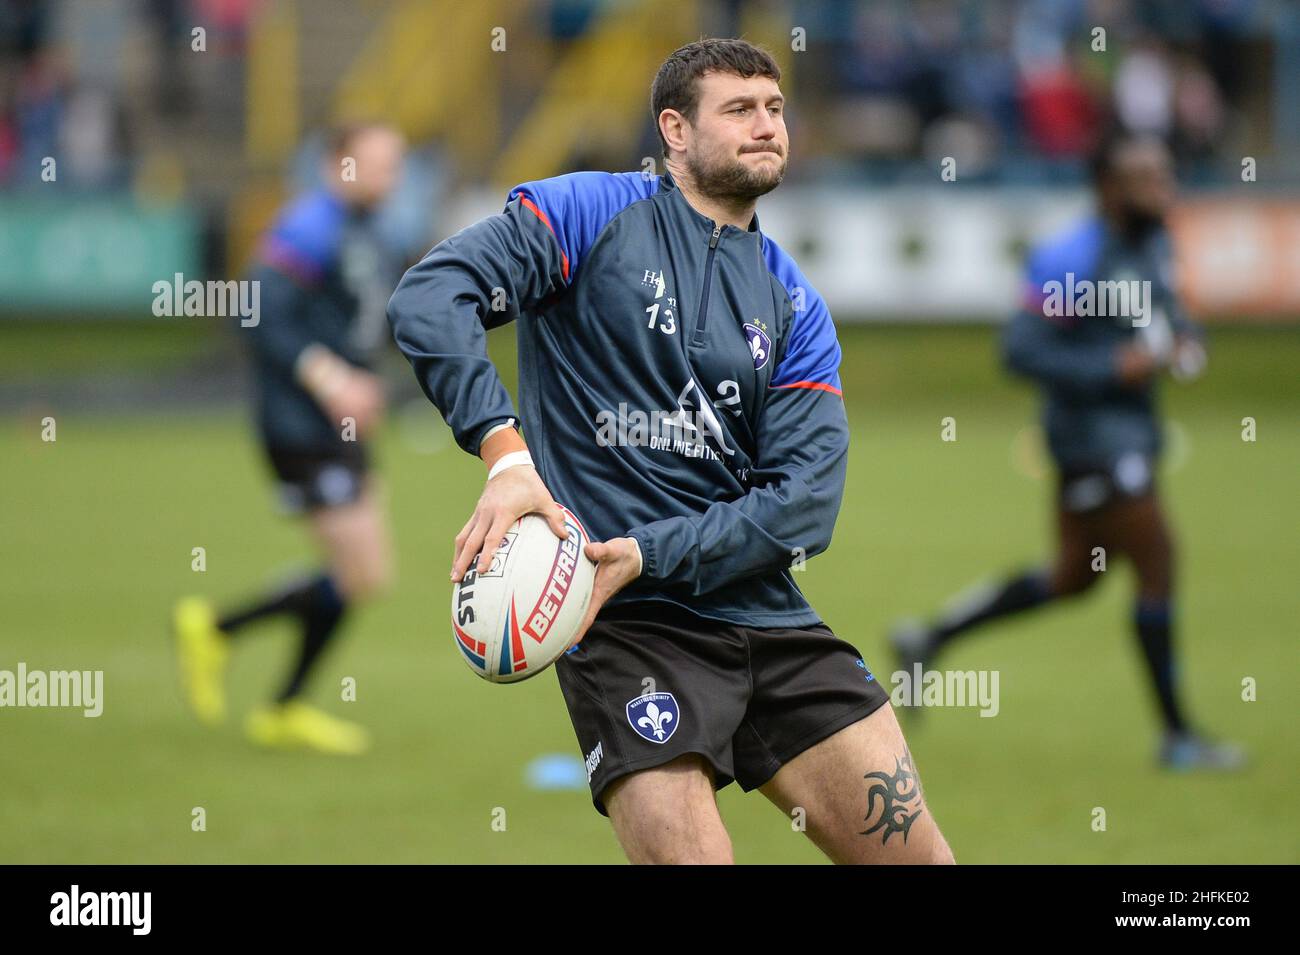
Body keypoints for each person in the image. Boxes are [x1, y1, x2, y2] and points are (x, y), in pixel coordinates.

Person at [388, 38, 954, 863]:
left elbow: (804, 504)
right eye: (739, 110)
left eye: (775, 108)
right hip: (625, 632)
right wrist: (508, 459)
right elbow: (432, 295)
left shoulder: (794, 303)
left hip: (767, 617)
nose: (767, 126)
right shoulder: (588, 213)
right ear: (675, 131)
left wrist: (648, 551)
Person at [891, 133, 1245, 772]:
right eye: (1146, 178)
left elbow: (1169, 314)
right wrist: (1116, 365)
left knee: (1074, 578)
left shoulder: (1155, 241)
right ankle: (1178, 737)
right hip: (1092, 443)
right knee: (1159, 562)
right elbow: (1020, 352)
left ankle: (929, 638)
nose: (1163, 189)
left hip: (1133, 434)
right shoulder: (1070, 257)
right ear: (1108, 187)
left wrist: (1187, 341)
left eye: (1166, 175)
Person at [174, 122, 406, 755]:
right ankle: (258, 677)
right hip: (299, 426)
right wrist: (333, 381)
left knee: (364, 574)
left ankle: (228, 642)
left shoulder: (368, 229)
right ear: (338, 164)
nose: (390, 177)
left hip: (339, 425)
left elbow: (344, 322)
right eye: (377, 163)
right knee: (358, 570)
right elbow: (257, 312)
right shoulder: (309, 226)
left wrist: (365, 384)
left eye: (395, 164)